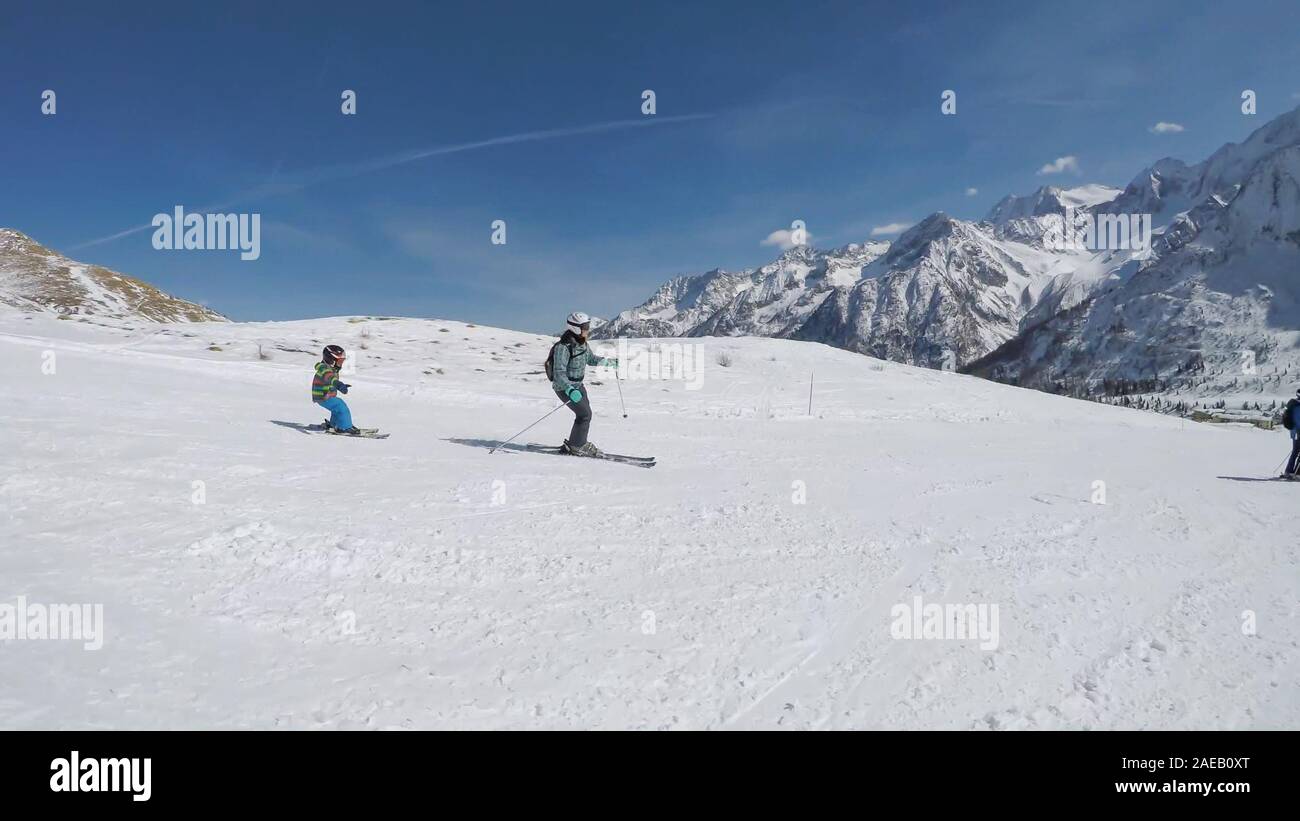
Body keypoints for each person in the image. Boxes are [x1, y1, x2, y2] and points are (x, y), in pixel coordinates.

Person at [548, 312, 617, 456]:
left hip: (578, 386)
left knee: (586, 414)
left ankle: (576, 443)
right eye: (585, 327)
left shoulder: (583, 344)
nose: (587, 329)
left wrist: (607, 362)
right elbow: (559, 374)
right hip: (564, 388)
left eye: (588, 326)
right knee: (584, 414)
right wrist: (569, 390)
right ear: (575, 328)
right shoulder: (563, 347)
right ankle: (577, 445)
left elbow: (590, 359)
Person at [312, 344, 361, 435]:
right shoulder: (324, 369)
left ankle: (334, 424)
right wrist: (339, 385)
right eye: (339, 361)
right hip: (323, 396)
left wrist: (338, 383)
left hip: (325, 395)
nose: (341, 364)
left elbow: (332, 377)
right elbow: (330, 378)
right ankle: (344, 427)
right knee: (341, 407)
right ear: (331, 360)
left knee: (336, 409)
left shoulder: (329, 368)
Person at [1284, 388, 1300, 478]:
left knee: (1295, 451)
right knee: (1296, 451)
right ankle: (1297, 473)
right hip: (1298, 431)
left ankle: (1289, 471)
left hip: (1294, 432)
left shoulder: (1293, 404)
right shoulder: (1297, 406)